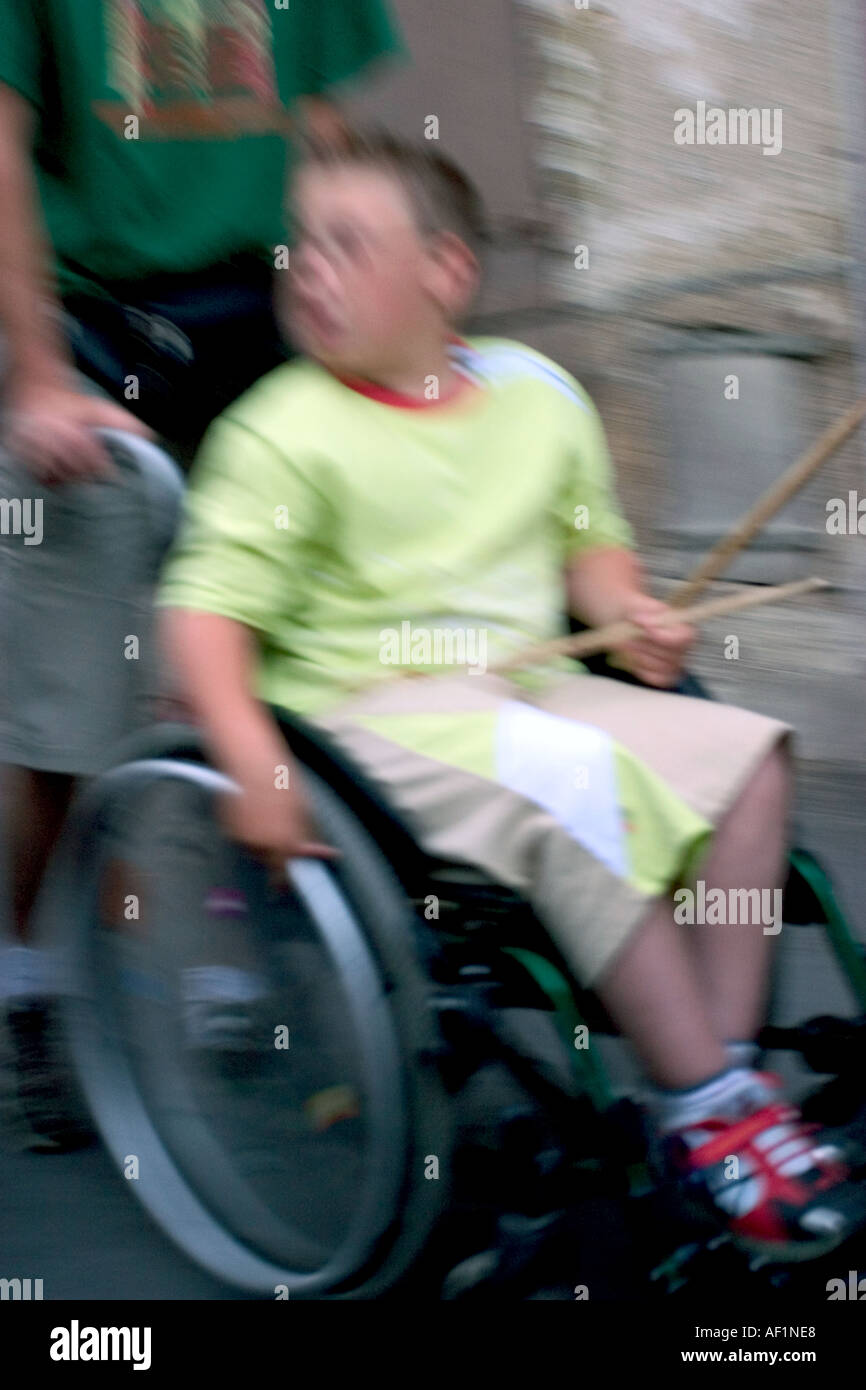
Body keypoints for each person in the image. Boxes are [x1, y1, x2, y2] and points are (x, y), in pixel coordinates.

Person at [157, 131, 866, 1260]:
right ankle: (706, 1109)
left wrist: (632, 614)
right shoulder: (277, 434)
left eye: (345, 245)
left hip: (531, 688)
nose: (305, 269)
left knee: (750, 757)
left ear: (446, 273)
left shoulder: (538, 400)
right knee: (572, 788)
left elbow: (591, 552)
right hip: (367, 718)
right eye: (299, 248)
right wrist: (253, 762)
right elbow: (202, 616)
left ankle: (718, 1088)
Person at [0, 0, 404, 1148]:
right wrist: (32, 370)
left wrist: (376, 326)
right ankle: (35, 975)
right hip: (89, 323)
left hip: (258, 323)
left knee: (263, 676)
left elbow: (324, 140)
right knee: (68, 710)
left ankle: (244, 957)